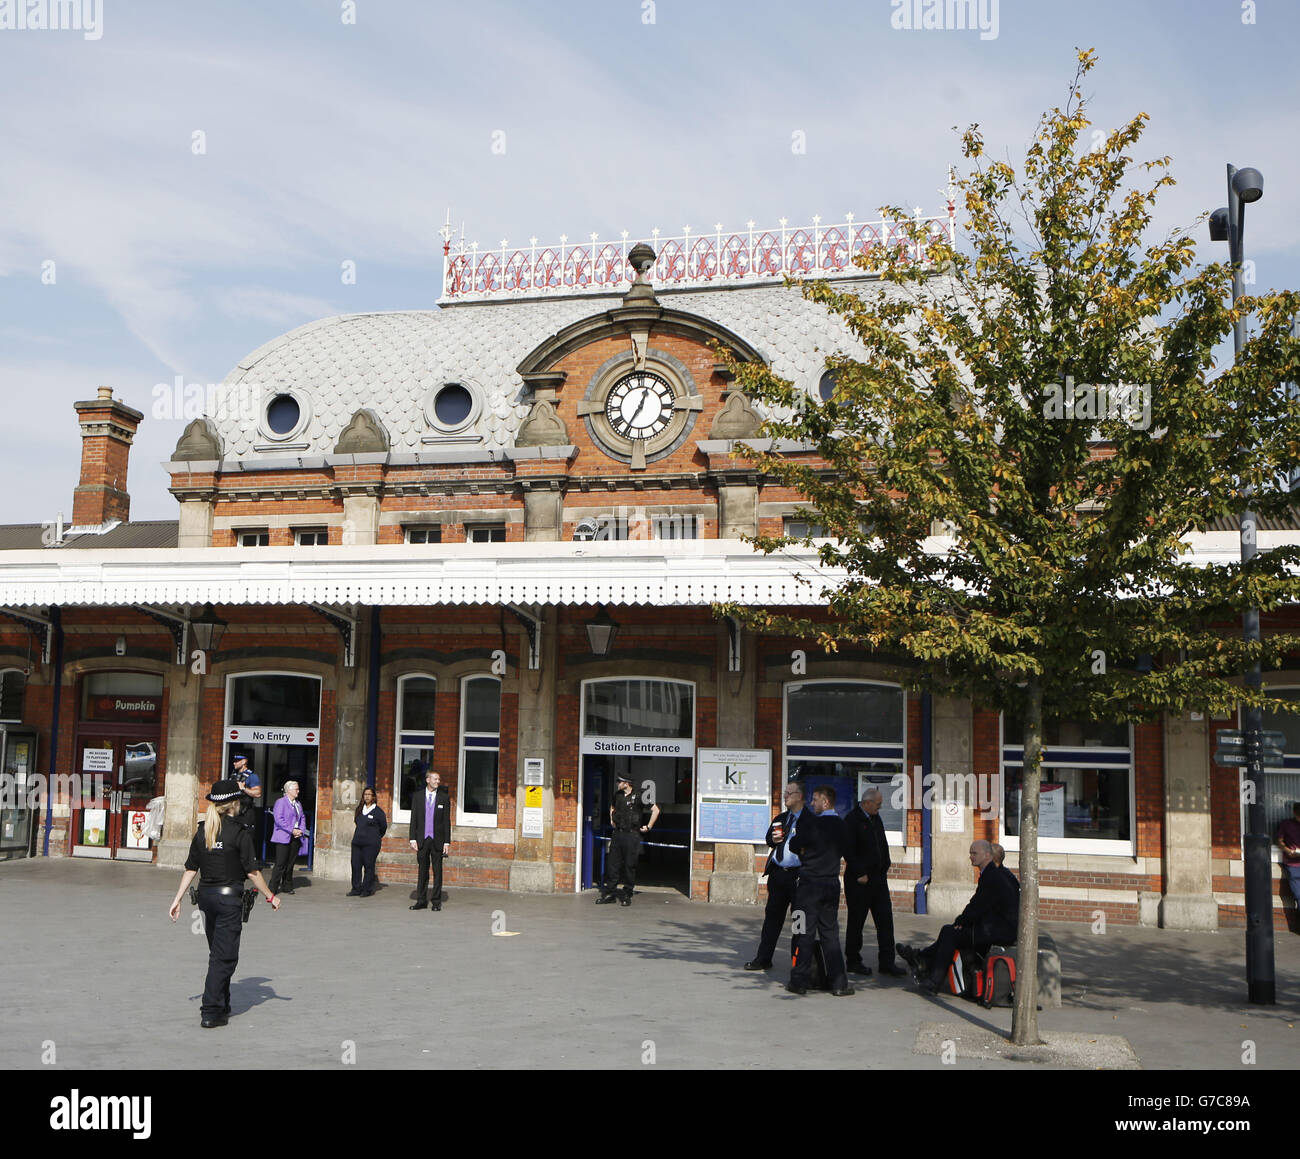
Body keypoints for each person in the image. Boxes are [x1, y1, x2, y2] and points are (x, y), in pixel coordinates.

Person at [168, 779, 280, 1028]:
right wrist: (271, 896)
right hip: (229, 900)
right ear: (233, 804)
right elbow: (252, 872)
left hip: (206, 899)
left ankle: (223, 1002)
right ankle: (210, 1011)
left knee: (218, 953)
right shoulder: (239, 832)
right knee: (225, 957)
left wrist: (176, 900)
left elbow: (190, 868)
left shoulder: (203, 830)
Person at [897, 839, 1019, 993]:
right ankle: (921, 959)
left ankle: (933, 979)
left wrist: (961, 921)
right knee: (949, 931)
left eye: (974, 853)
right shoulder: (998, 873)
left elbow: (977, 905)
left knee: (950, 933)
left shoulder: (992, 876)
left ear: (987, 855)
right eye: (970, 853)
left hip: (997, 931)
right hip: (996, 926)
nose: (971, 857)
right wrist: (962, 922)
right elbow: (981, 905)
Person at [786, 784, 854, 996]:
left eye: (815, 799)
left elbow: (794, 844)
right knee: (830, 933)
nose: (812, 803)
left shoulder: (813, 824)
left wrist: (806, 848)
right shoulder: (842, 826)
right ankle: (839, 983)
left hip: (809, 885)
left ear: (826, 802)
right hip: (831, 884)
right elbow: (848, 851)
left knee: (803, 932)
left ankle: (799, 981)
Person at [745, 782, 809, 971]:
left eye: (790, 793)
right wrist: (773, 839)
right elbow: (767, 840)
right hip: (779, 875)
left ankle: (797, 963)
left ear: (800, 796)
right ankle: (763, 958)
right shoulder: (781, 818)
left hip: (799, 877)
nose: (785, 796)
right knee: (772, 919)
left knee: (799, 921)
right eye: (784, 793)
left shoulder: (809, 820)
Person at [844, 786, 906, 977]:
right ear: (867, 803)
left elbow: (882, 845)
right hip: (860, 881)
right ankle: (853, 960)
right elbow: (848, 850)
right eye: (877, 805)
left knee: (885, 921)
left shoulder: (875, 818)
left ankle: (887, 962)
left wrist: (885, 865)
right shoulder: (852, 820)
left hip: (878, 879)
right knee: (856, 922)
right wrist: (860, 872)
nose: (880, 808)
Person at [596, 773, 660, 906]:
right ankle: (610, 893)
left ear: (627, 783)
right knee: (612, 864)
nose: (617, 783)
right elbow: (612, 807)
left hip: (632, 834)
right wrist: (611, 820)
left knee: (629, 865)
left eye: (619, 781)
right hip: (618, 833)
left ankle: (627, 893)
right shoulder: (617, 795)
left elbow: (656, 810)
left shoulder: (639, 795)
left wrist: (648, 827)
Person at [408, 769, 451, 911]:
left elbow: (446, 821)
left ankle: (436, 902)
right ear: (428, 780)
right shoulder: (418, 796)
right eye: (435, 779)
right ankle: (421, 900)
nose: (437, 782)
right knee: (422, 871)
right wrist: (412, 838)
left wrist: (447, 842)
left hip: (437, 840)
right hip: (422, 839)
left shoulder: (444, 798)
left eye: (438, 780)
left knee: (437, 872)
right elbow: (413, 819)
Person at [268, 780, 307, 895]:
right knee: (280, 863)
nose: (298, 791)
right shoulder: (281, 802)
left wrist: (301, 830)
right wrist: (292, 830)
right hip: (283, 836)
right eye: (296, 789)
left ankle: (287, 885)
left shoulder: (298, 804)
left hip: (295, 837)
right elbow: (279, 820)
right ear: (288, 790)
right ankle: (272, 888)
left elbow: (302, 818)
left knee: (290, 863)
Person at [349, 786, 387, 897]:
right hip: (357, 843)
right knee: (355, 866)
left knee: (369, 866)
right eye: (365, 794)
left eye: (369, 794)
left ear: (373, 796)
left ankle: (367, 889)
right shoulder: (359, 809)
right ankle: (356, 888)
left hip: (371, 844)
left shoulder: (378, 812)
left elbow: (383, 827)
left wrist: (374, 837)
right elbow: (357, 822)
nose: (367, 796)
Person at [231, 753, 263, 855]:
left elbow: (258, 793)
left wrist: (244, 788)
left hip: (246, 813)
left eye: (237, 761)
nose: (234, 763)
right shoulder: (233, 775)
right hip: (233, 813)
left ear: (244, 761)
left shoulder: (252, 776)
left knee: (246, 839)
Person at [1276, 802, 1300, 909]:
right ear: (1294, 813)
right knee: (1298, 894)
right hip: (1293, 864)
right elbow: (1279, 841)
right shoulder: (1286, 824)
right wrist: (1287, 850)